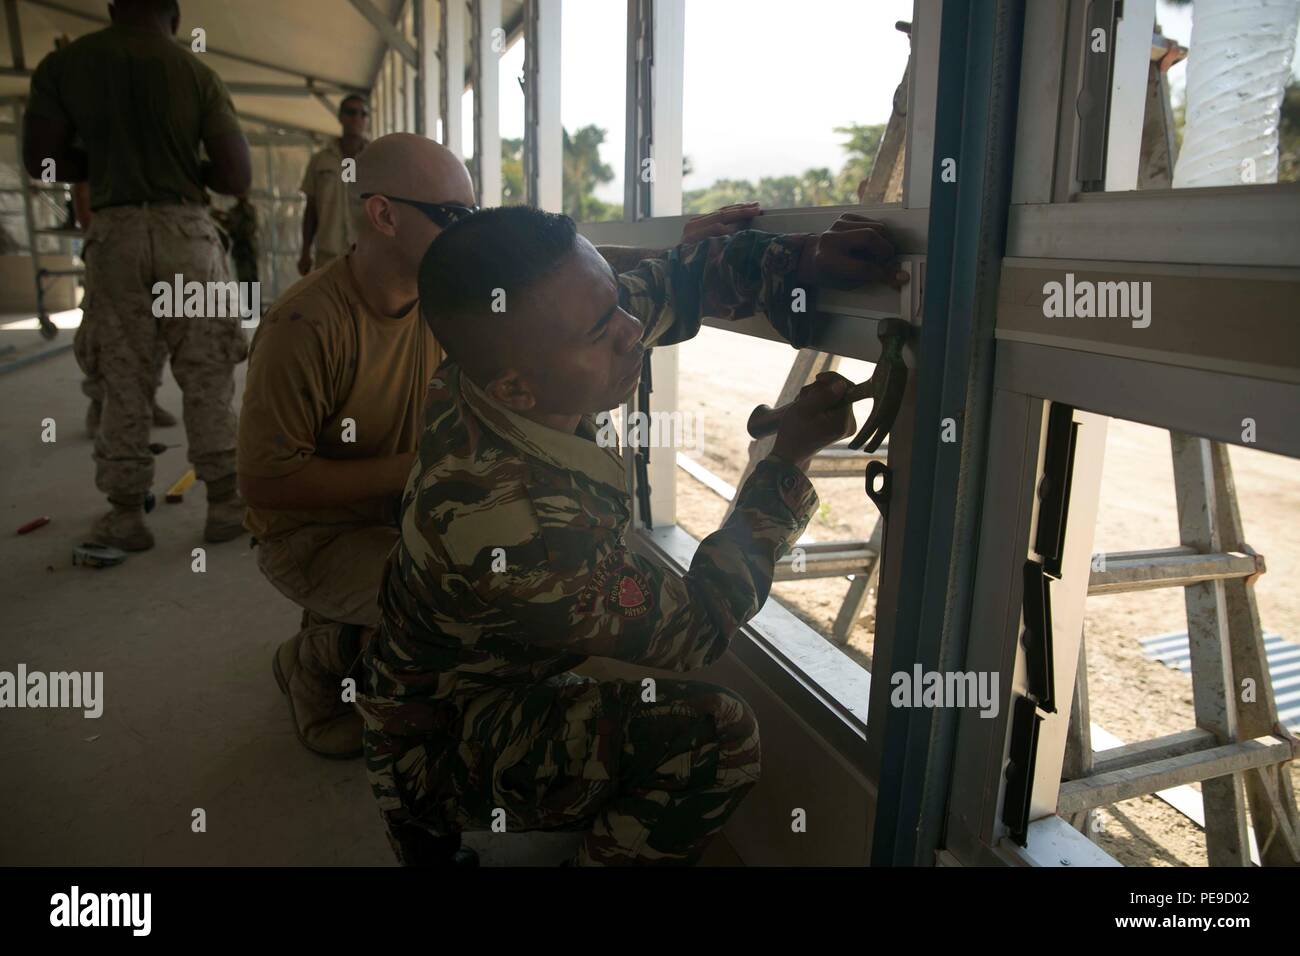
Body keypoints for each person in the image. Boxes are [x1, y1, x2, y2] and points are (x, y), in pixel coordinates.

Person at [359, 205, 906, 866]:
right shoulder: (516, 526)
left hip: (434, 669)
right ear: (515, 386)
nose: (630, 333)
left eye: (615, 304)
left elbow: (665, 283)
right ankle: (426, 813)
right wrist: (786, 464)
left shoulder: (496, 363)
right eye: (602, 331)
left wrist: (799, 258)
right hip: (439, 739)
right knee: (716, 737)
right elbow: (700, 626)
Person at [238, 133, 475, 761]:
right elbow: (264, 485)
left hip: (392, 519)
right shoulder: (306, 325)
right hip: (307, 538)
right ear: (384, 215)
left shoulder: (440, 296)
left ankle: (350, 625)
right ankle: (314, 663)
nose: (468, 236)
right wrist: (416, 468)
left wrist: (678, 252)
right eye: (454, 217)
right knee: (449, 608)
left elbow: (540, 267)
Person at [23, 0, 253, 551]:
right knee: (206, 372)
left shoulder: (68, 66)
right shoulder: (196, 73)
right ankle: (223, 503)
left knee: (123, 375)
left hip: (116, 236)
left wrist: (101, 161)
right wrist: (183, 165)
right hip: (187, 236)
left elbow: (41, 161)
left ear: (112, 7)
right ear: (172, 17)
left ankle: (126, 516)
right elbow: (236, 176)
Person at [298, 94, 369, 275]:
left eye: (363, 114)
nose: (357, 118)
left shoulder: (375, 160)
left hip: (366, 253)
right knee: (327, 303)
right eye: (351, 112)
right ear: (340, 117)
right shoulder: (320, 161)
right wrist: (305, 251)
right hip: (328, 255)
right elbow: (311, 209)